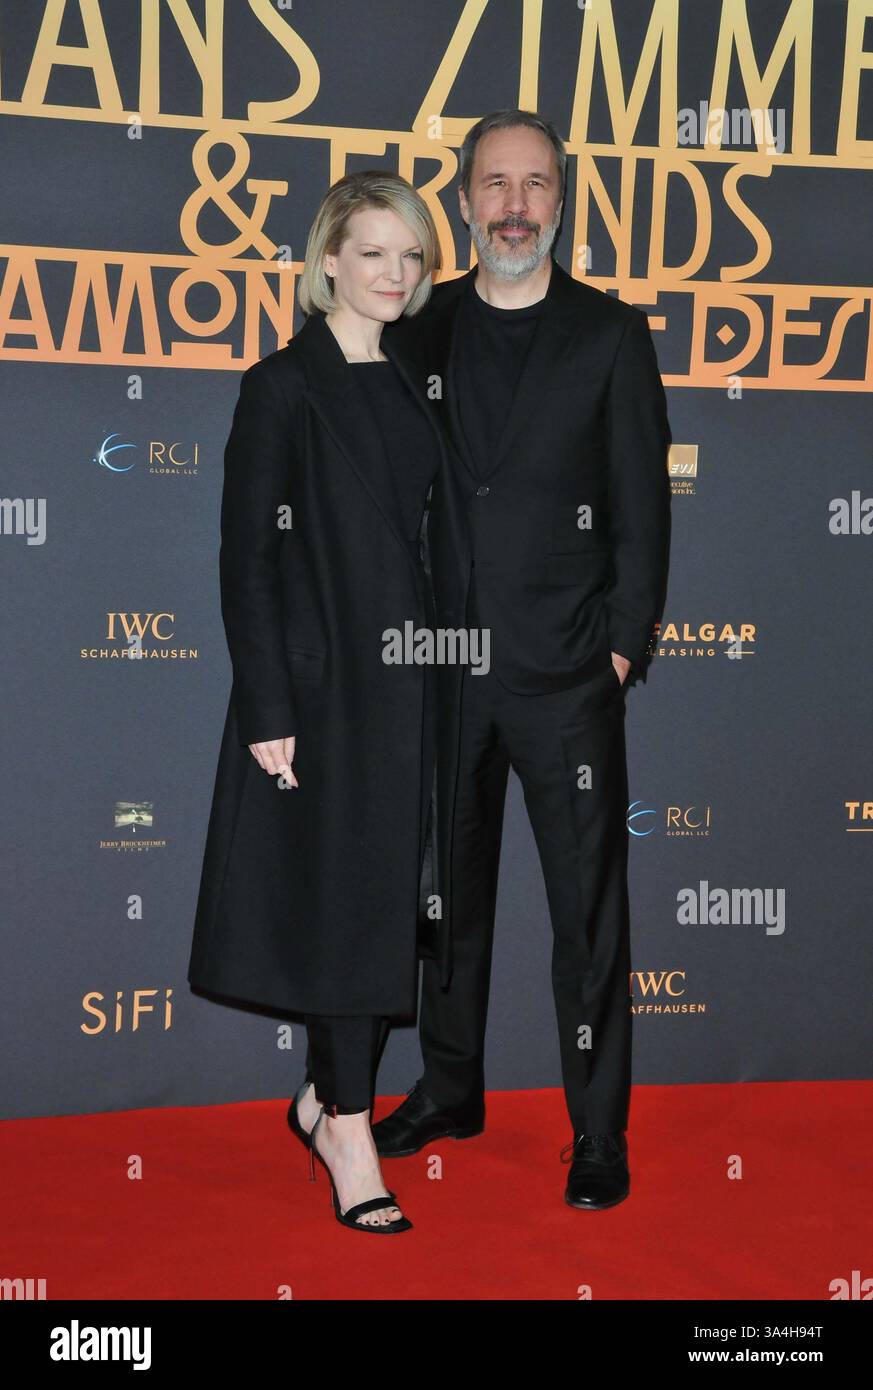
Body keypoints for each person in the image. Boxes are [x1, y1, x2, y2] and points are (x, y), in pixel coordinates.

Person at [373, 109, 672, 1211]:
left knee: (587, 915)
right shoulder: (419, 328)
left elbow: (645, 508)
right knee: (446, 901)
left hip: (565, 678)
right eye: (493, 184)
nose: (513, 205)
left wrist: (624, 649)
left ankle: (597, 1133)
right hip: (446, 667)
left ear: (561, 201)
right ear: (462, 202)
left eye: (534, 185)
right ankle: (450, 1087)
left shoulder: (608, 334)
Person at [188, 170, 461, 1233]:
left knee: (384, 903)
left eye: (412, 257)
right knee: (342, 903)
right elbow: (245, 556)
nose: (396, 274)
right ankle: (347, 1123)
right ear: (329, 261)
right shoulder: (281, 385)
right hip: (321, 685)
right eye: (376, 252)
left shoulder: (407, 381)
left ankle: (322, 1096)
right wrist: (267, 706)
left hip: (412, 683)